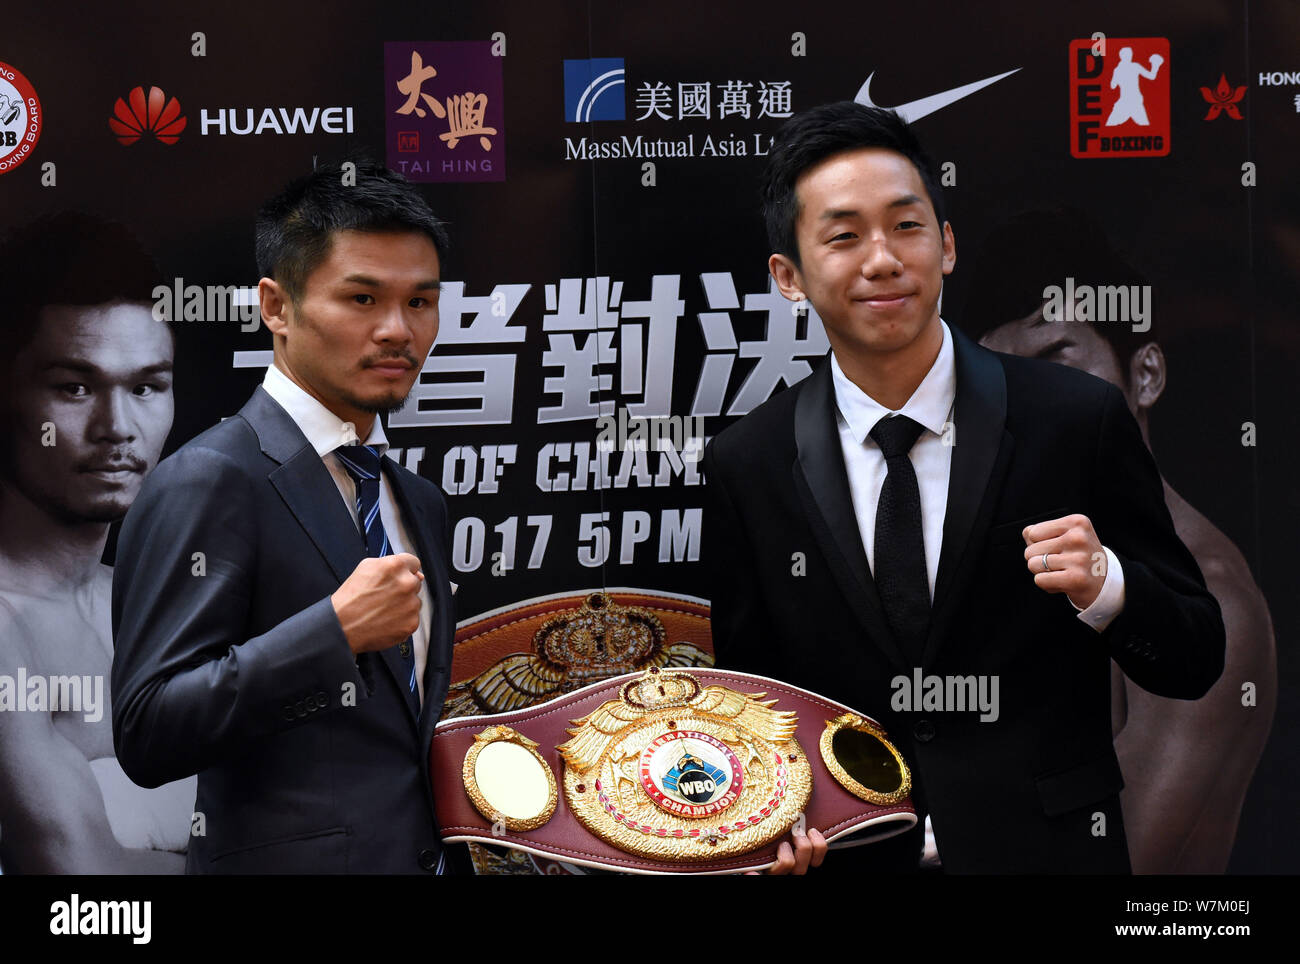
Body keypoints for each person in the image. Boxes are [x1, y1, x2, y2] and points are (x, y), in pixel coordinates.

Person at [702, 102, 1225, 873]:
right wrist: (769, 827)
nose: (883, 259)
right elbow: (756, 701)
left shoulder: (1073, 419)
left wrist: (1105, 585)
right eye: (844, 236)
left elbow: (1194, 655)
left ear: (946, 246)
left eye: (907, 227)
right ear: (789, 275)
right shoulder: (751, 461)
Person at [111, 163, 466, 873]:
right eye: (362, 297)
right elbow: (148, 730)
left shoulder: (413, 500)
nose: (398, 331)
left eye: (420, 302)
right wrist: (332, 632)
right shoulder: (210, 478)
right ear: (276, 306)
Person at [960, 208, 1275, 873]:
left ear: (1146, 376)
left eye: (1058, 366)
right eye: (1006, 383)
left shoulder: (1209, 601)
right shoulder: (1029, 555)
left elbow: (1107, 863)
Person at [0, 212, 194, 873]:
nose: (118, 427)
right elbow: (79, 885)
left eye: (145, 388)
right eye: (74, 387)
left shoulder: (155, 604)